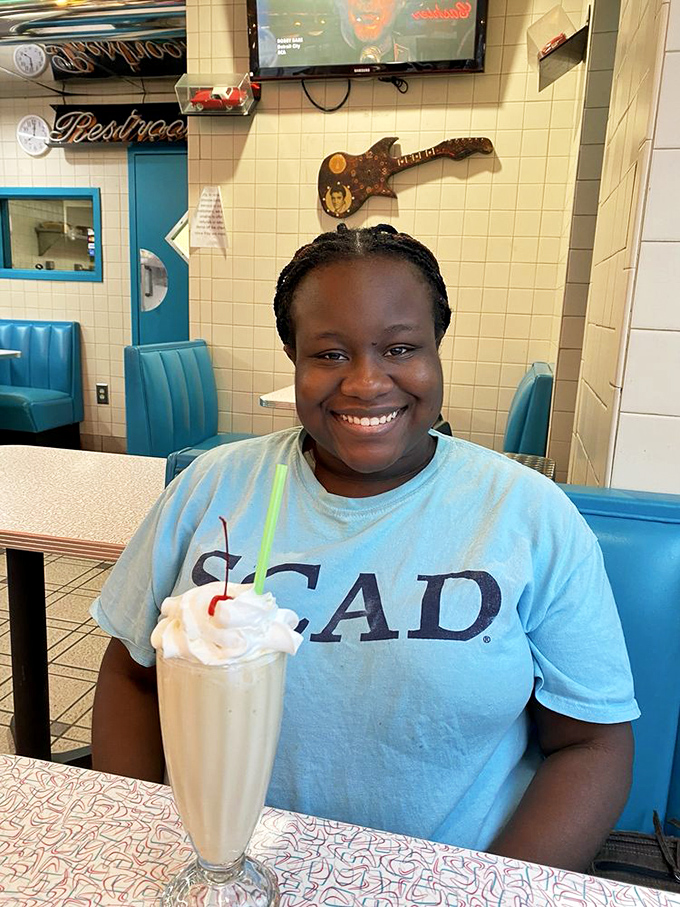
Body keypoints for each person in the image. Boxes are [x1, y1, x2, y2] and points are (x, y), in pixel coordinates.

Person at [91, 224, 639, 872]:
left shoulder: (529, 515)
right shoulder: (212, 488)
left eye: (400, 347)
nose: (365, 381)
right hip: (228, 869)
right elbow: (131, 672)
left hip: (448, 880)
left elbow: (593, 744)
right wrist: (146, 839)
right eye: (328, 353)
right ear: (293, 358)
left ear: (436, 350)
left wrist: (487, 891)